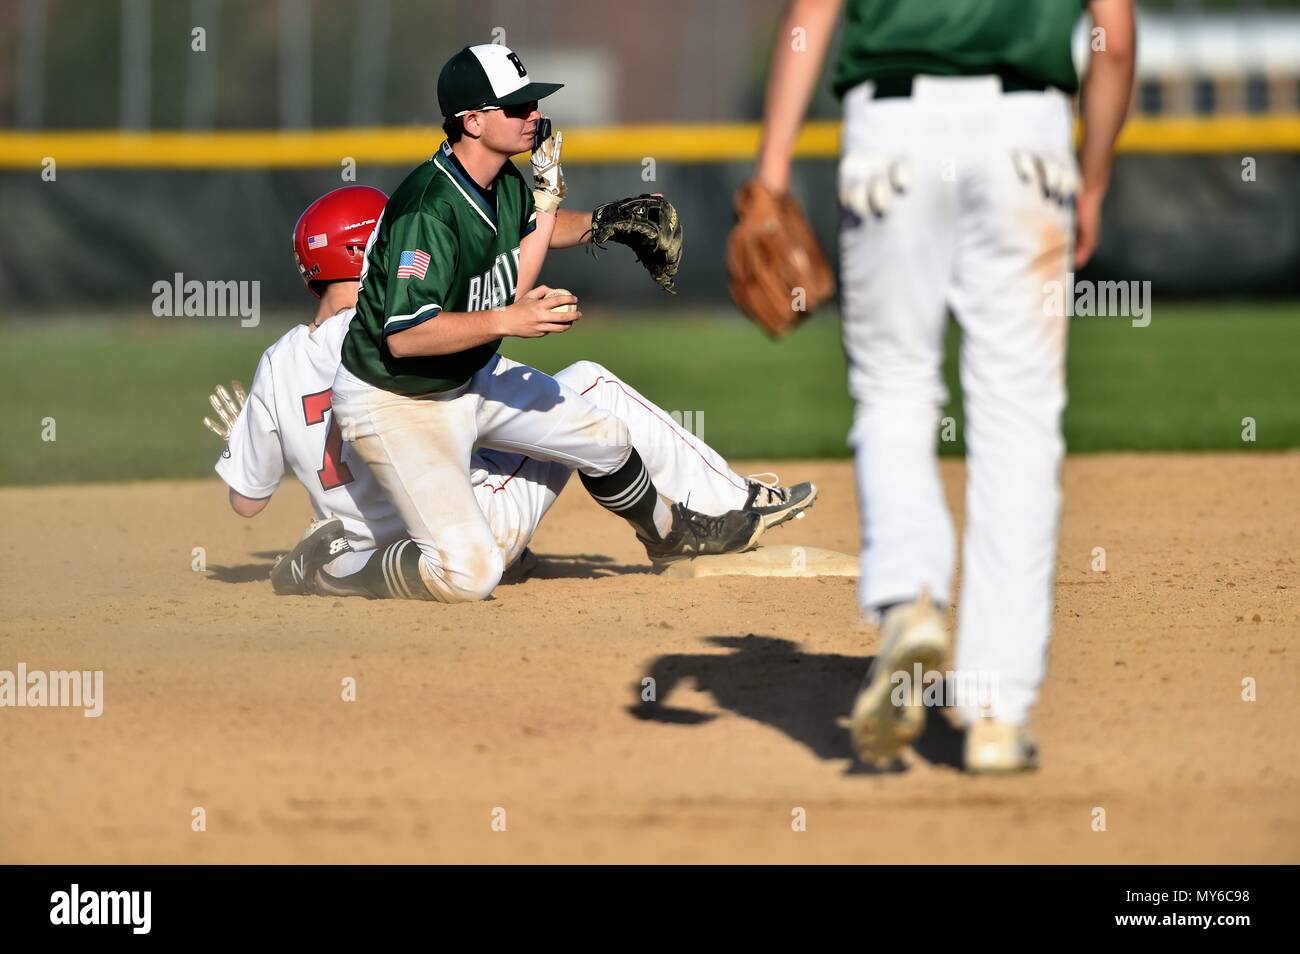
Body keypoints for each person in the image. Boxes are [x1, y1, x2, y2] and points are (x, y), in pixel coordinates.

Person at [747, 0, 1135, 771]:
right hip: (1027, 135)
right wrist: (1091, 182)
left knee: (893, 388)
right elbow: (1114, 38)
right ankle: (997, 713)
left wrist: (770, 173)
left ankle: (910, 601)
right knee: (1019, 420)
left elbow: (810, 16)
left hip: (892, 133)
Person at [204, 185, 818, 599]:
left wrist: (253, 432)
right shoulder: (405, 327)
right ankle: (734, 502)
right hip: (467, 535)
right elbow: (498, 246)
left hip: (373, 550)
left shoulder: (276, 364)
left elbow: (246, 505)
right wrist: (590, 229)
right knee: (587, 385)